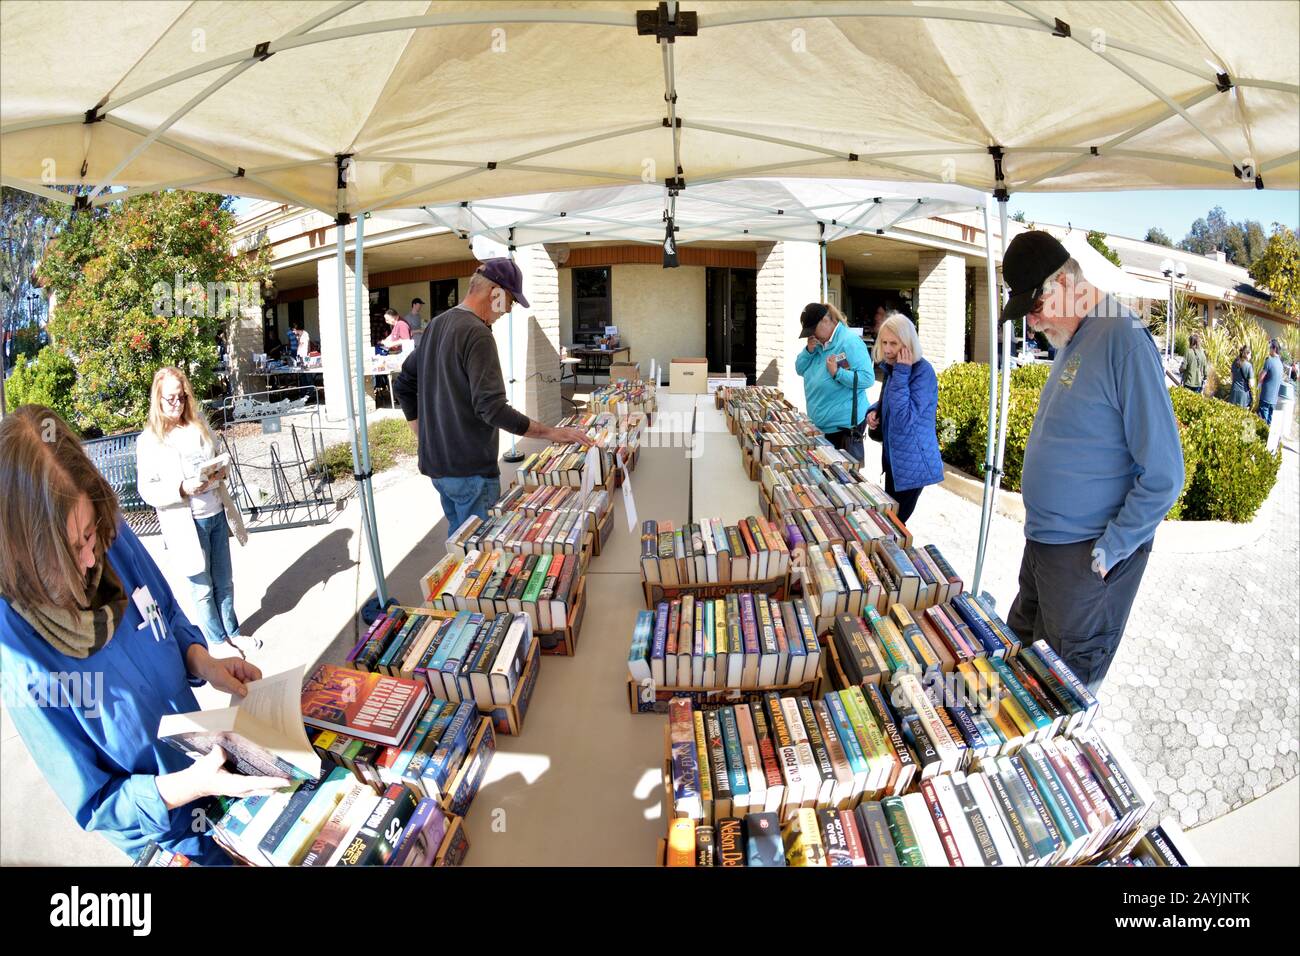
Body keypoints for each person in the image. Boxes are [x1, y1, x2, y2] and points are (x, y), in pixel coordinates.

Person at [0, 406, 287, 864]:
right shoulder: (15, 645)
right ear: (24, 548)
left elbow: (166, 614)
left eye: (92, 534)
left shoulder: (111, 535)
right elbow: (96, 803)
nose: (94, 559)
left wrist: (203, 661)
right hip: (170, 835)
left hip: (215, 776)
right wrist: (190, 785)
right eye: (74, 548)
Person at [1000, 231, 1183, 693]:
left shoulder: (1123, 338)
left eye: (1035, 308)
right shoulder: (1075, 336)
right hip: (1044, 550)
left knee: (1059, 694)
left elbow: (1164, 475)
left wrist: (1109, 551)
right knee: (1017, 674)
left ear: (1064, 283)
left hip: (1085, 564)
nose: (1034, 322)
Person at [393, 259, 594, 533]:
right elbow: (492, 408)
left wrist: (422, 433)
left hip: (437, 466)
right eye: (510, 300)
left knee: (460, 543)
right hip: (469, 470)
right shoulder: (477, 333)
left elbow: (403, 384)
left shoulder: (437, 325)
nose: (508, 309)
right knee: (479, 557)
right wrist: (551, 433)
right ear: (496, 293)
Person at [136, 367, 258, 656]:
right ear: (158, 399)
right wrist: (181, 488)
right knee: (201, 587)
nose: (177, 404)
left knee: (224, 581)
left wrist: (218, 471)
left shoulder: (198, 423)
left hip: (215, 511)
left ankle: (233, 633)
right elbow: (147, 490)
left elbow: (216, 456)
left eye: (181, 397)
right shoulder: (149, 439)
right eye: (170, 399)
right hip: (186, 522)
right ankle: (216, 642)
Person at [864, 313, 943, 523]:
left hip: (913, 465)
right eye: (884, 342)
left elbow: (903, 418)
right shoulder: (895, 367)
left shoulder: (921, 372)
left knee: (894, 524)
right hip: (895, 461)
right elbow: (891, 400)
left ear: (907, 343)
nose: (888, 349)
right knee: (889, 520)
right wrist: (873, 411)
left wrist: (901, 373)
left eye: (893, 343)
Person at [794, 302, 875, 464]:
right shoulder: (817, 343)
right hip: (821, 426)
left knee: (841, 481)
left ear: (825, 321)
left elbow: (867, 378)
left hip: (842, 428)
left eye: (813, 330)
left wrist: (838, 373)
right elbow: (799, 369)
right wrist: (808, 351)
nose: (812, 335)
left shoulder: (849, 342)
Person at [1257, 338, 1285, 424]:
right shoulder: (1281, 364)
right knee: (1269, 422)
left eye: (1270, 348)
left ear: (1274, 349)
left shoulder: (1269, 361)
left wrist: (1258, 385)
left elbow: (1261, 376)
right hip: (1274, 399)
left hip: (1266, 397)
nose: (1269, 350)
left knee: (1262, 421)